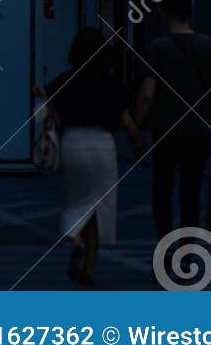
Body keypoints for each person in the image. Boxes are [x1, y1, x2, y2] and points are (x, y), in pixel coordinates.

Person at [45, 27, 143, 286]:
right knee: (99, 207)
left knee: (75, 201)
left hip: (73, 143)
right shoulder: (112, 85)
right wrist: (139, 147)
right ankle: (88, 269)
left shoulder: (64, 81)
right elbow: (128, 124)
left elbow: (54, 117)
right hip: (103, 145)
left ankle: (75, 240)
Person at [134, 0, 211, 239]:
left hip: (165, 131)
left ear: (166, 13)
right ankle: (186, 254)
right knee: (191, 193)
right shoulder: (210, 46)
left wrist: (136, 127)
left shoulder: (158, 48)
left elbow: (147, 94)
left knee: (162, 194)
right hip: (198, 131)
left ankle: (164, 252)